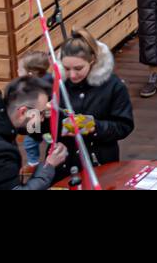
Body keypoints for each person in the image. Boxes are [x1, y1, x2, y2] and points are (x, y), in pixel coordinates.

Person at [54, 28, 134, 177]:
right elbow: (37, 132)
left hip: (99, 164)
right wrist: (38, 120)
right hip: (63, 165)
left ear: (92, 61)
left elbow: (124, 126)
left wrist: (94, 127)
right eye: (66, 68)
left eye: (78, 68)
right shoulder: (56, 84)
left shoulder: (114, 86)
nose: (72, 75)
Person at [17, 50, 52, 168]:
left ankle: (33, 163)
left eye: (20, 70)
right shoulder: (50, 80)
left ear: (30, 74)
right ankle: (48, 139)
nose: (17, 71)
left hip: (37, 121)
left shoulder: (30, 88)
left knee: (29, 142)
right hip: (46, 122)